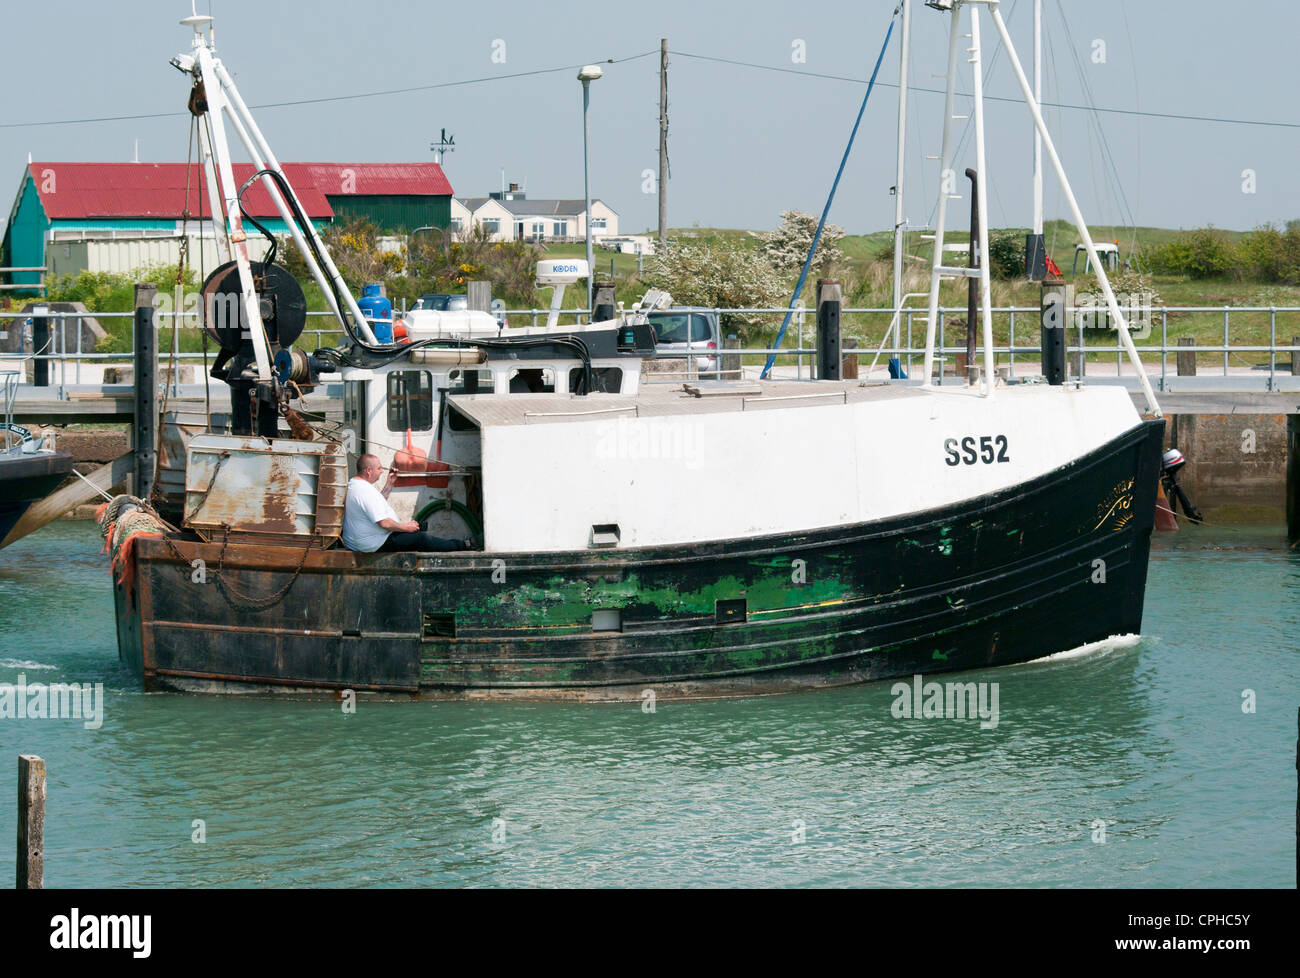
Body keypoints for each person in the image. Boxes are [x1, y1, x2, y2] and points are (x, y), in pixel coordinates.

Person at [341, 453, 471, 553]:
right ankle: (463, 546)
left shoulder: (356, 485)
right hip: (373, 543)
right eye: (379, 468)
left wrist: (389, 483)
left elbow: (376, 504)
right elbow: (384, 523)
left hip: (368, 539)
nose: (382, 471)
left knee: (416, 532)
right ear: (368, 470)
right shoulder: (365, 491)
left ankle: (457, 544)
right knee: (421, 539)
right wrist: (405, 527)